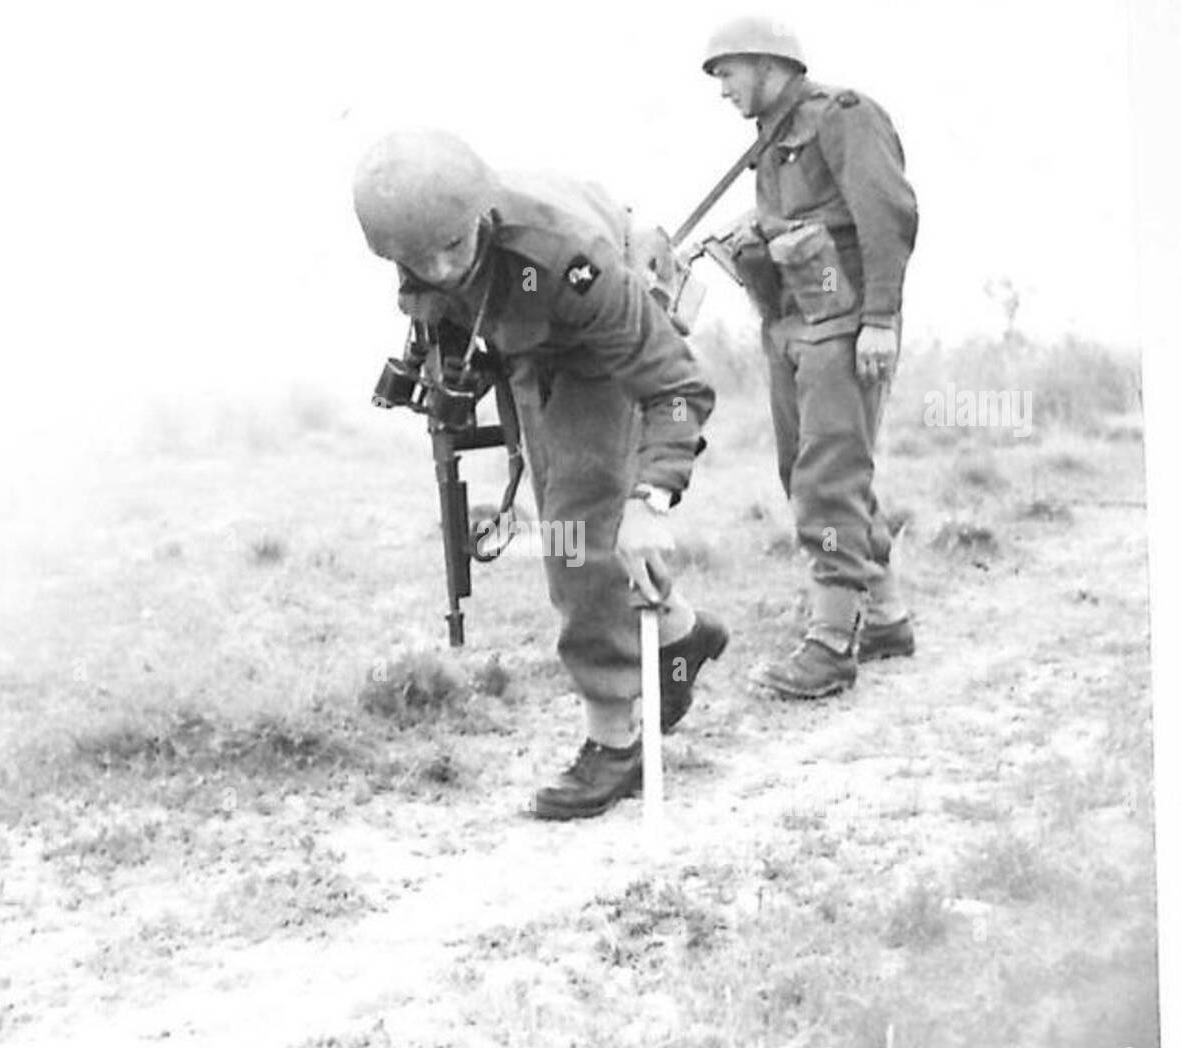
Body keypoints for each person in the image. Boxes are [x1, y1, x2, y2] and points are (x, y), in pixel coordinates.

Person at [352, 129, 728, 820]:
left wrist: (652, 498)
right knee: (572, 528)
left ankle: (615, 740)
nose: (439, 268)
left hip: (596, 352)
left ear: (478, 218)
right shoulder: (421, 230)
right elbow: (459, 298)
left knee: (576, 542)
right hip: (531, 347)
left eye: (452, 249)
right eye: (419, 260)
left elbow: (675, 382)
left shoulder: (564, 258)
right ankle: (680, 634)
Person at [701, 16, 919, 698]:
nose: (723, 90)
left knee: (827, 478)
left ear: (767, 64)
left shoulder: (841, 117)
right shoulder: (770, 141)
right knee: (809, 470)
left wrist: (880, 321)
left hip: (845, 324)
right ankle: (883, 616)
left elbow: (888, 216)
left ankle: (829, 644)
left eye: (727, 73)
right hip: (794, 323)